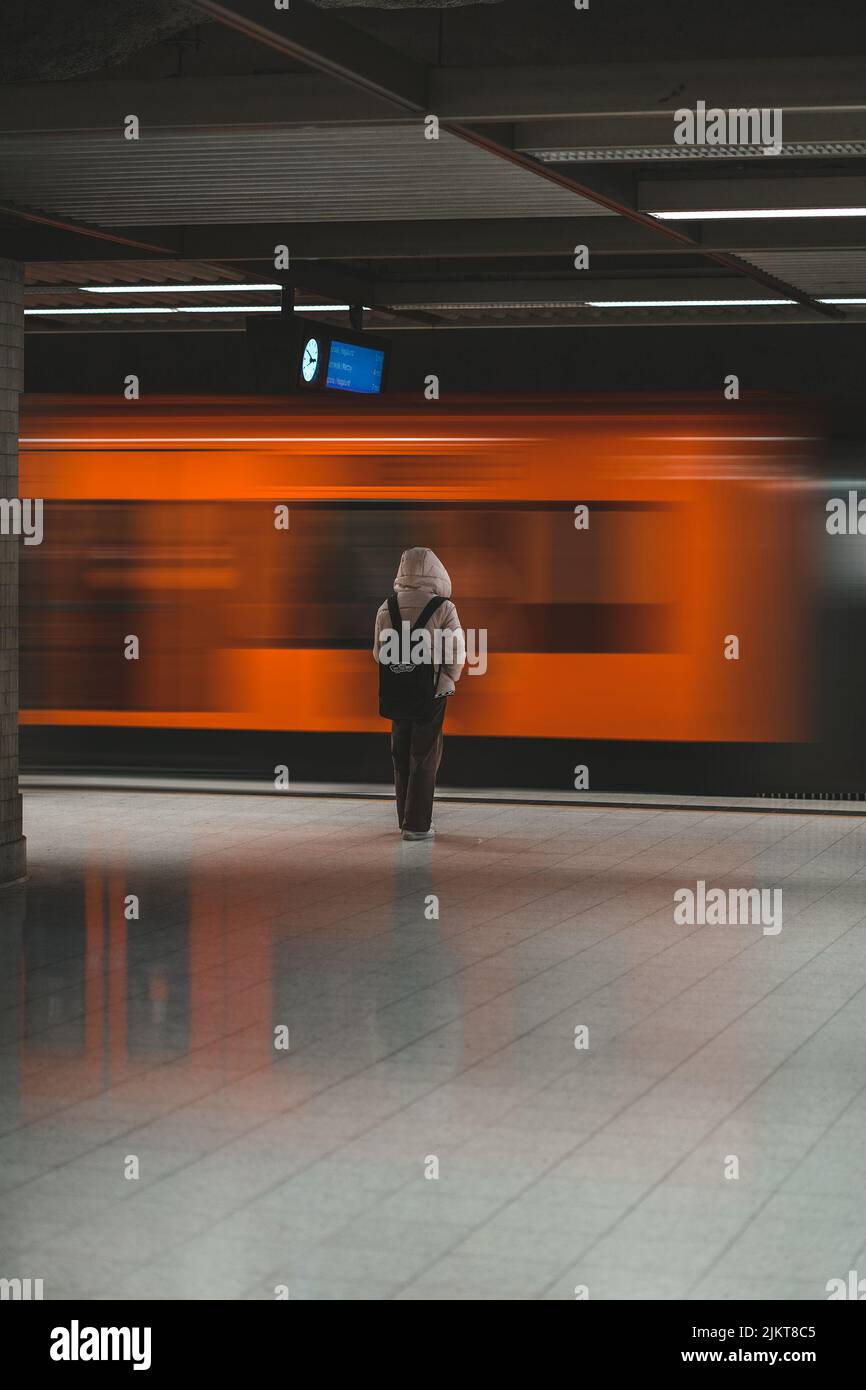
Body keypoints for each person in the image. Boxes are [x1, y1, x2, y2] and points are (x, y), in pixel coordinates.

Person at [374, 547, 465, 840]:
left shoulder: (386, 607)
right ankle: (417, 826)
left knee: (400, 754)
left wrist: (401, 671)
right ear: (437, 572)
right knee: (424, 756)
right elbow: (456, 652)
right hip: (432, 693)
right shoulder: (443, 607)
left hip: (398, 690)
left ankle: (404, 820)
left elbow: (378, 653)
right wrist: (447, 680)